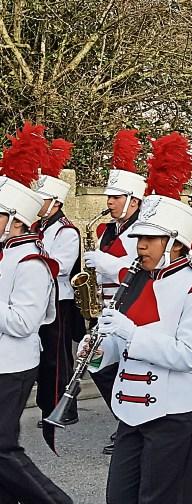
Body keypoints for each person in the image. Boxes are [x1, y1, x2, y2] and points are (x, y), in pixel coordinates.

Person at [86, 132, 192, 504]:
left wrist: (130, 333)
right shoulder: (135, 281)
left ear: (176, 243)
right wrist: (100, 348)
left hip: (174, 412)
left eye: (149, 239)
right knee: (121, 499)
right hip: (131, 409)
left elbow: (188, 356)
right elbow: (121, 349)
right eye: (139, 237)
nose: (139, 246)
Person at [0, 122, 73, 504]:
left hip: (14, 363)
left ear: (14, 220)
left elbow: (25, 322)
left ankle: (52, 503)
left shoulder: (31, 262)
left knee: (2, 446)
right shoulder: (8, 255)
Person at [84, 129, 146, 455]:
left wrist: (106, 262)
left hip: (131, 309)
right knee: (99, 367)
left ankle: (129, 426)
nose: (108, 203)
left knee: (125, 369)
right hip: (107, 305)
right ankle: (125, 421)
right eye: (109, 197)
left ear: (133, 201)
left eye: (115, 198)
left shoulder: (141, 231)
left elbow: (136, 271)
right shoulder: (107, 228)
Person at [32, 139, 81, 431]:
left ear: (56, 203)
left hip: (59, 300)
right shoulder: (38, 229)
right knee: (43, 357)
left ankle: (64, 407)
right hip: (41, 299)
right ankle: (47, 406)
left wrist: (34, 259)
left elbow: (61, 266)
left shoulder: (67, 231)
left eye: (43, 200)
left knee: (58, 358)